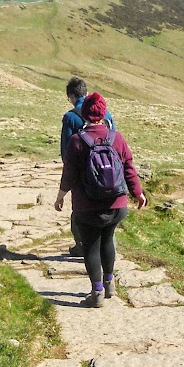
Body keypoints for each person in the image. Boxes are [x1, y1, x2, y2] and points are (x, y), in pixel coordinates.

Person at [55, 92, 145, 307]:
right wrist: (138, 193)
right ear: (103, 113)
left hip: (87, 207)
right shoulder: (117, 137)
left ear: (84, 114)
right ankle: (109, 284)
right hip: (116, 205)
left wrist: (60, 196)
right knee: (108, 240)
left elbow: (70, 174)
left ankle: (96, 293)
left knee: (91, 246)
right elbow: (129, 168)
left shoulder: (77, 140)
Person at [60, 77, 114, 257]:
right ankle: (107, 245)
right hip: (108, 171)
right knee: (106, 207)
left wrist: (68, 178)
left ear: (71, 96)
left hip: (83, 175)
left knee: (80, 210)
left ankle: (81, 245)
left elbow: (66, 151)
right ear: (87, 93)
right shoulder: (106, 114)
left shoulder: (70, 117)